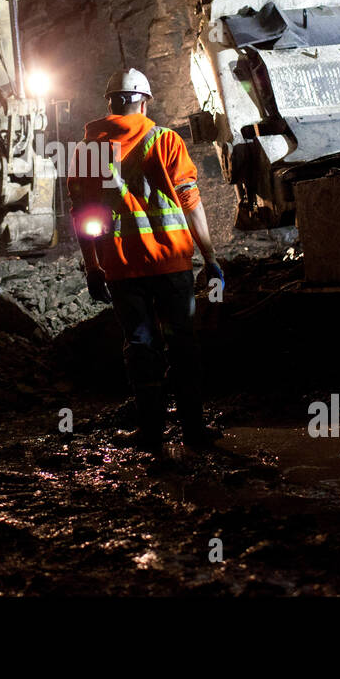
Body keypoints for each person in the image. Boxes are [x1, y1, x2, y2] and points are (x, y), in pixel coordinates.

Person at [67, 67, 224, 451]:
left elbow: (82, 213)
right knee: (182, 343)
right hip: (172, 264)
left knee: (140, 344)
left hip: (122, 267)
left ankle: (151, 434)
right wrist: (210, 257)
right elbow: (190, 202)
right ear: (144, 99)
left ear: (110, 102)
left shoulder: (89, 150)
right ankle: (193, 432)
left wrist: (92, 265)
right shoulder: (166, 140)